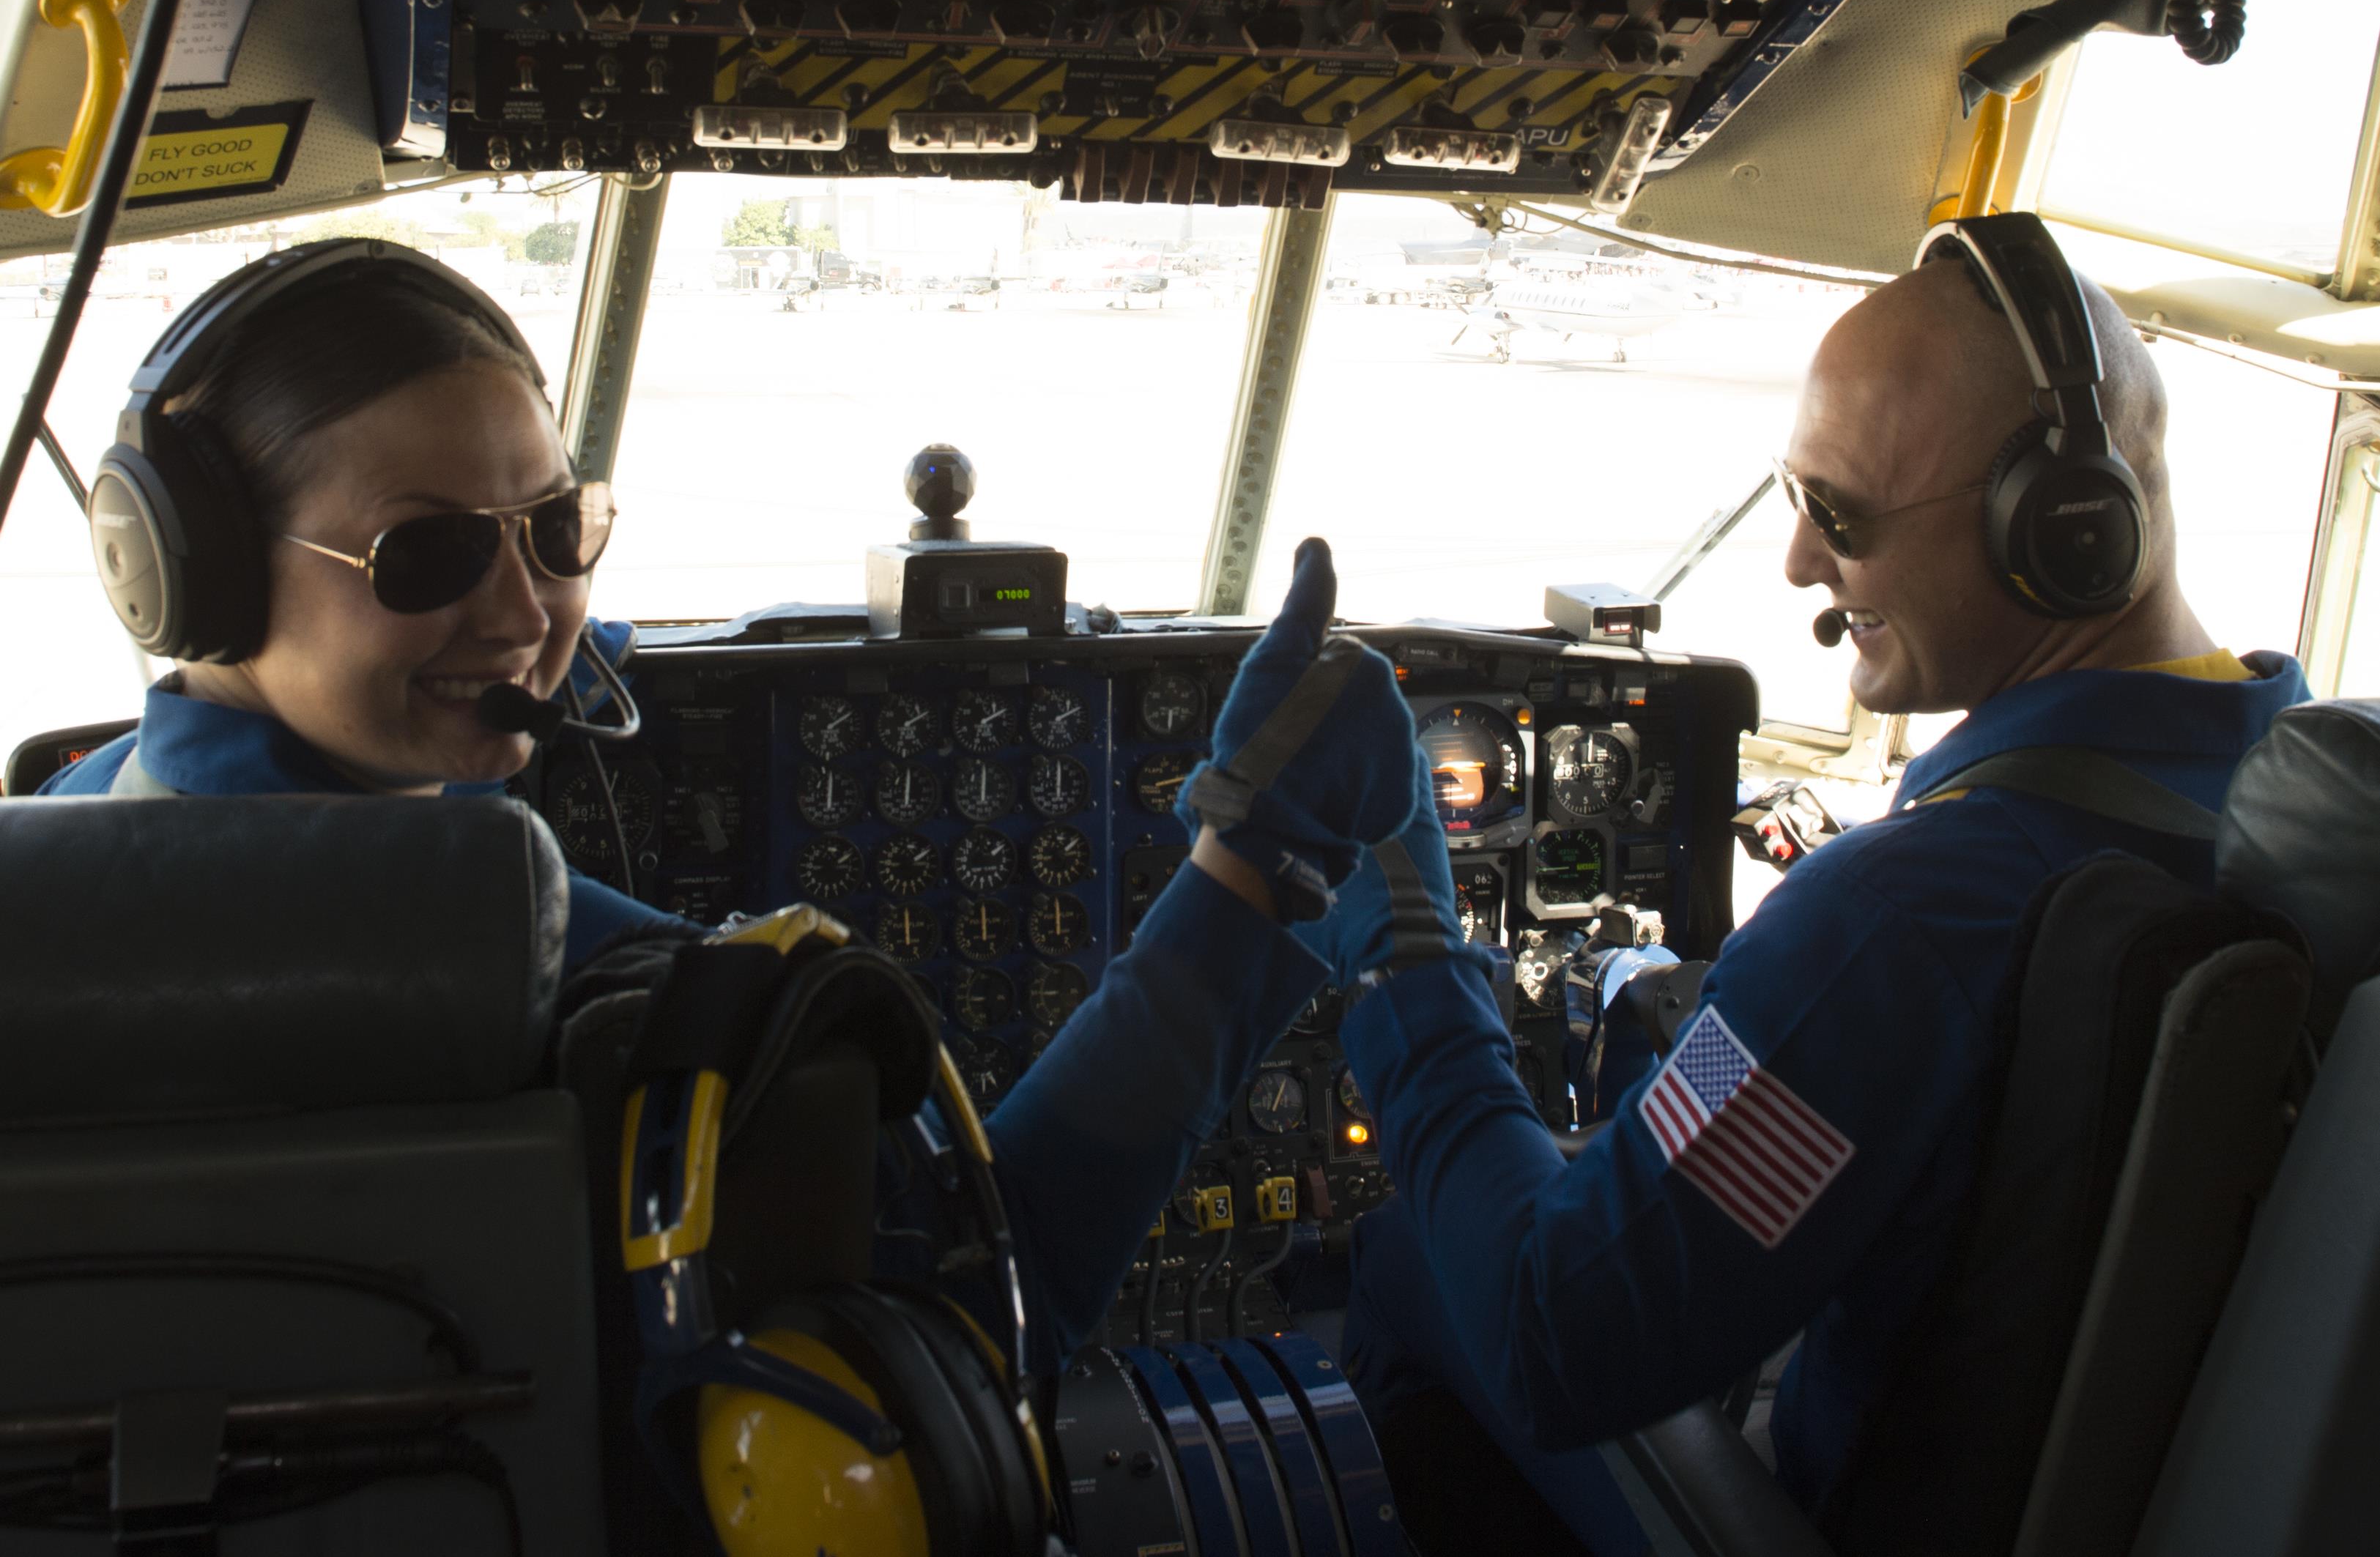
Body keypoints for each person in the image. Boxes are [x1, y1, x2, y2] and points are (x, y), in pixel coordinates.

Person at [39, 237, 1365, 1389]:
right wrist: (1248, 874)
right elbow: (982, 1314)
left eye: (555, 530)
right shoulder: (612, 997)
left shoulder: (53, 851)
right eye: (428, 553)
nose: (521, 618)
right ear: (194, 572)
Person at [1217, 239, 2311, 1552]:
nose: (1796, 561)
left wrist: (1405, 954)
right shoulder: (2295, 793)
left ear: (2060, 533)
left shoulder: (1899, 920)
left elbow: (1558, 1332)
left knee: (1411, 1263)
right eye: (1794, 498)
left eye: (1840, 514)